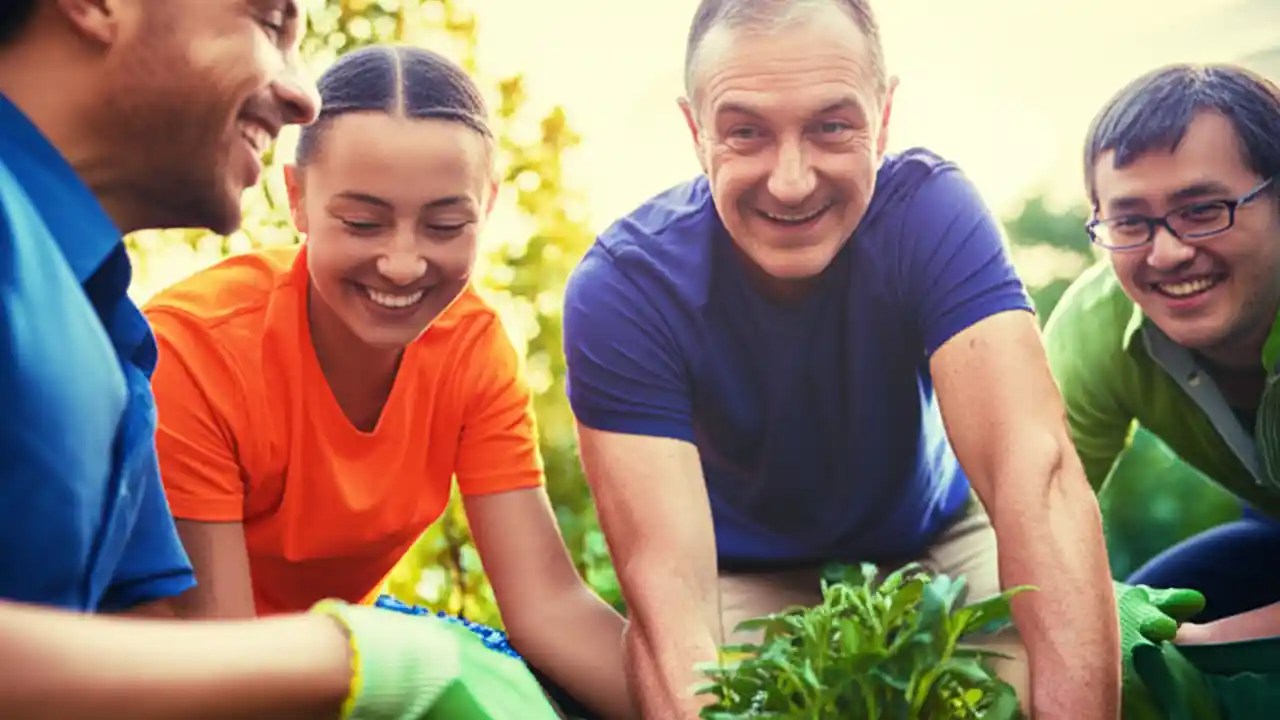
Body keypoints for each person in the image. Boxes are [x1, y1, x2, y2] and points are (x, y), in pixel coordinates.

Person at [561, 0, 1120, 718]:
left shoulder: (932, 212)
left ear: (882, 119)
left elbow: (1035, 476)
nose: (792, 181)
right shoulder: (626, 287)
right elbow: (668, 594)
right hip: (742, 574)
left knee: (1045, 682)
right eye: (746, 132)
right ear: (697, 132)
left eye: (831, 126)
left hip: (940, 539)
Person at [0, 1, 559, 717]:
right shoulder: (187, 342)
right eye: (268, 21)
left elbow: (154, 637)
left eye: (446, 223)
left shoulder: (113, 338)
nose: (302, 96)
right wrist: (351, 660)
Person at [141, 43, 633, 720]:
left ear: (487, 206)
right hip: (175, 679)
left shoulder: (471, 348)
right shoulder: (198, 352)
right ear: (297, 199)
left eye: (445, 225)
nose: (403, 263)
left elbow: (549, 607)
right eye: (363, 223)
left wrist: (723, 708)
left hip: (333, 670)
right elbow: (222, 658)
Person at [1045, 63, 1280, 643]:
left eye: (1202, 211)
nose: (1167, 253)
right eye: (1129, 222)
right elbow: (1033, 524)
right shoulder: (1096, 329)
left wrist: (1201, 645)